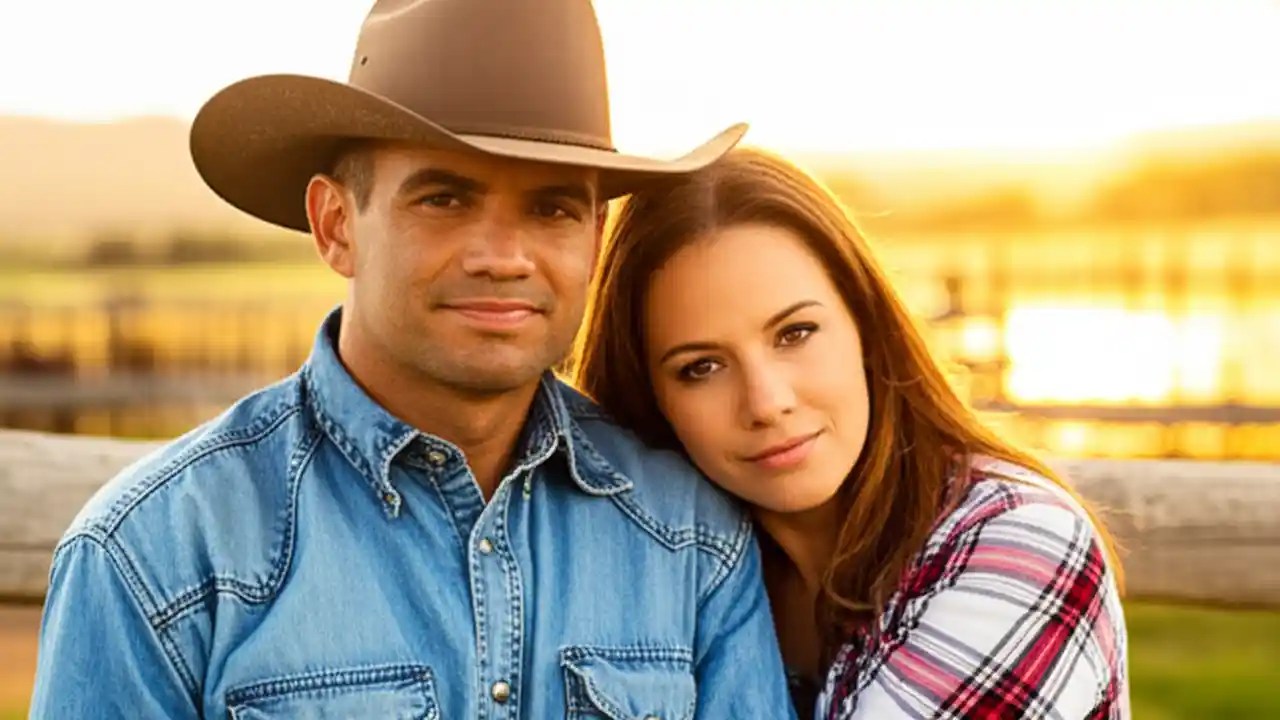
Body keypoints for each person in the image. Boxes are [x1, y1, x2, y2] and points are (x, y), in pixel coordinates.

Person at [29, 2, 797, 717]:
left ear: (594, 237)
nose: (504, 257)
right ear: (336, 225)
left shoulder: (687, 533)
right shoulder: (156, 553)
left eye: (553, 208)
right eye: (445, 199)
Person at [574, 147, 1130, 719]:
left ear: (864, 322)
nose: (767, 403)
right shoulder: (681, 573)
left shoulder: (1020, 544)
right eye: (701, 367)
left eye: (795, 333)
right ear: (651, 401)